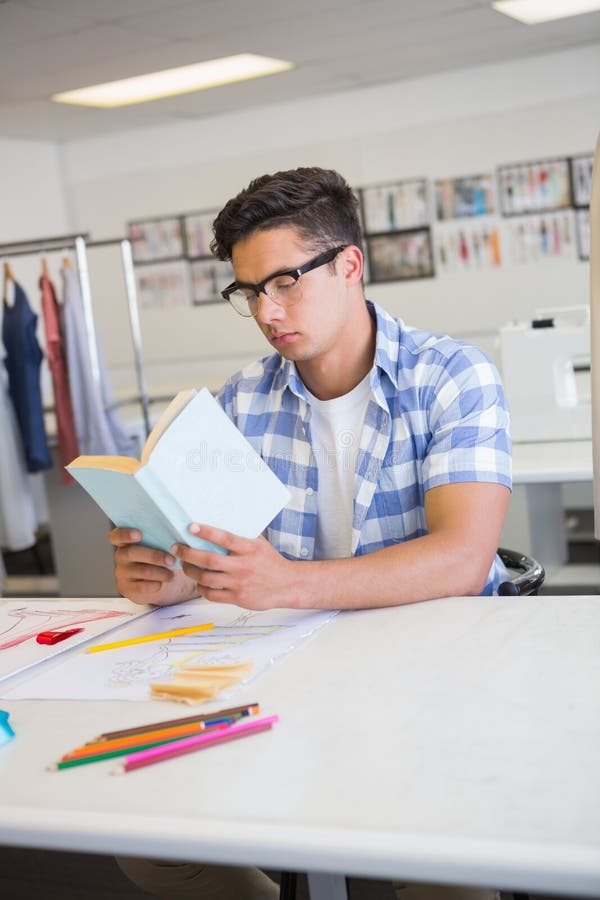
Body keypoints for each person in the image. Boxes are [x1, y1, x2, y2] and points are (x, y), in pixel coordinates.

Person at [112, 166, 511, 900]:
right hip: (291, 685)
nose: (268, 310)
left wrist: (286, 582)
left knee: (444, 874)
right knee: (148, 845)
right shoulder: (239, 402)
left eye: (286, 281)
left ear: (350, 264)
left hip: (436, 687)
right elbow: (216, 554)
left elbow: (462, 558)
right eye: (249, 291)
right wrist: (168, 576)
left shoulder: (454, 376)